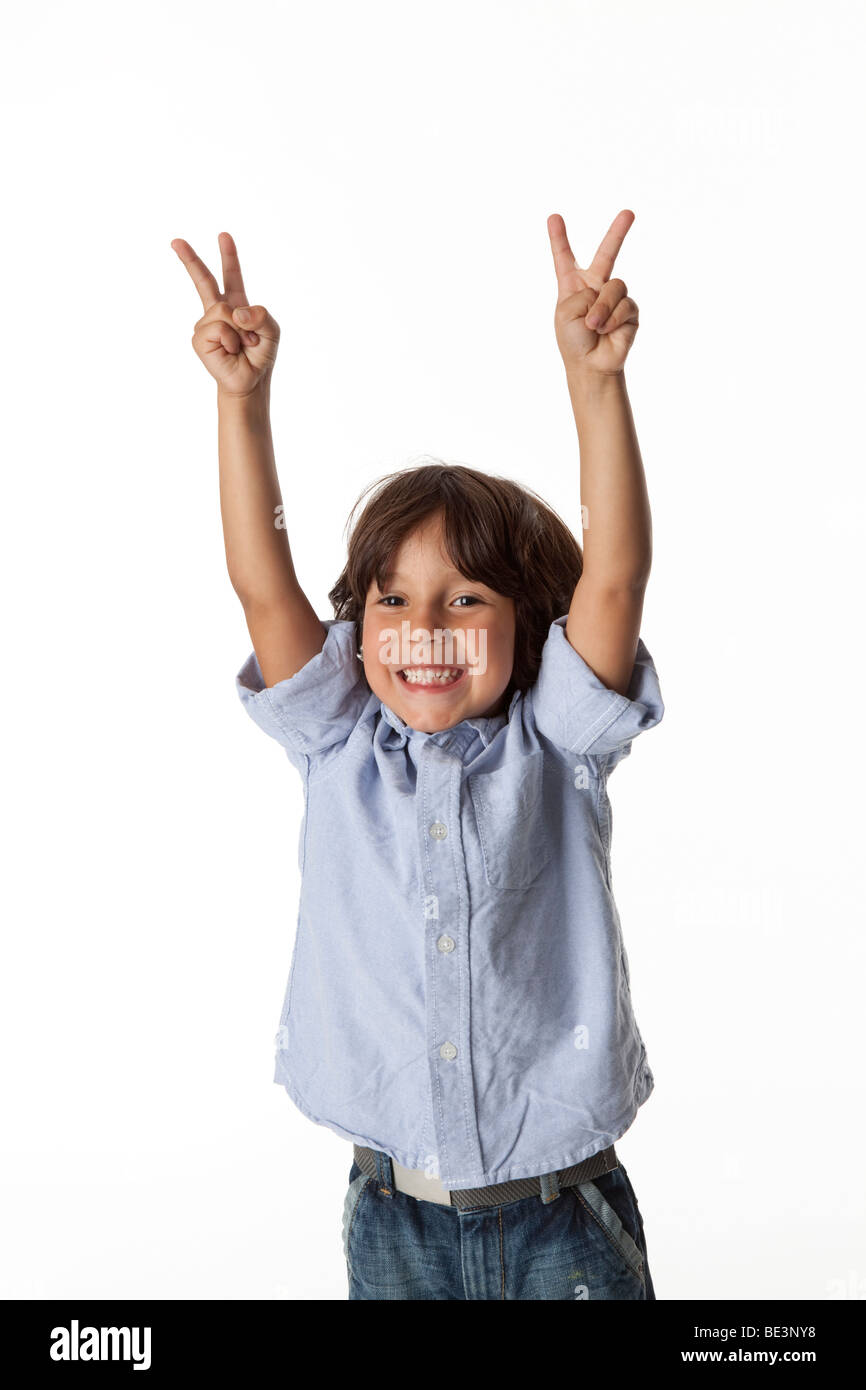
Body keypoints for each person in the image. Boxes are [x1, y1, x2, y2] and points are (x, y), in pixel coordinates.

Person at [171, 210, 664, 1300]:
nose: (419, 628)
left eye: (464, 598)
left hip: (558, 1217)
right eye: (391, 598)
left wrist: (594, 386)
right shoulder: (337, 732)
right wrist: (240, 405)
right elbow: (263, 586)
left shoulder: (558, 738)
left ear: (531, 622)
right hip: (393, 1214)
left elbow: (615, 580)